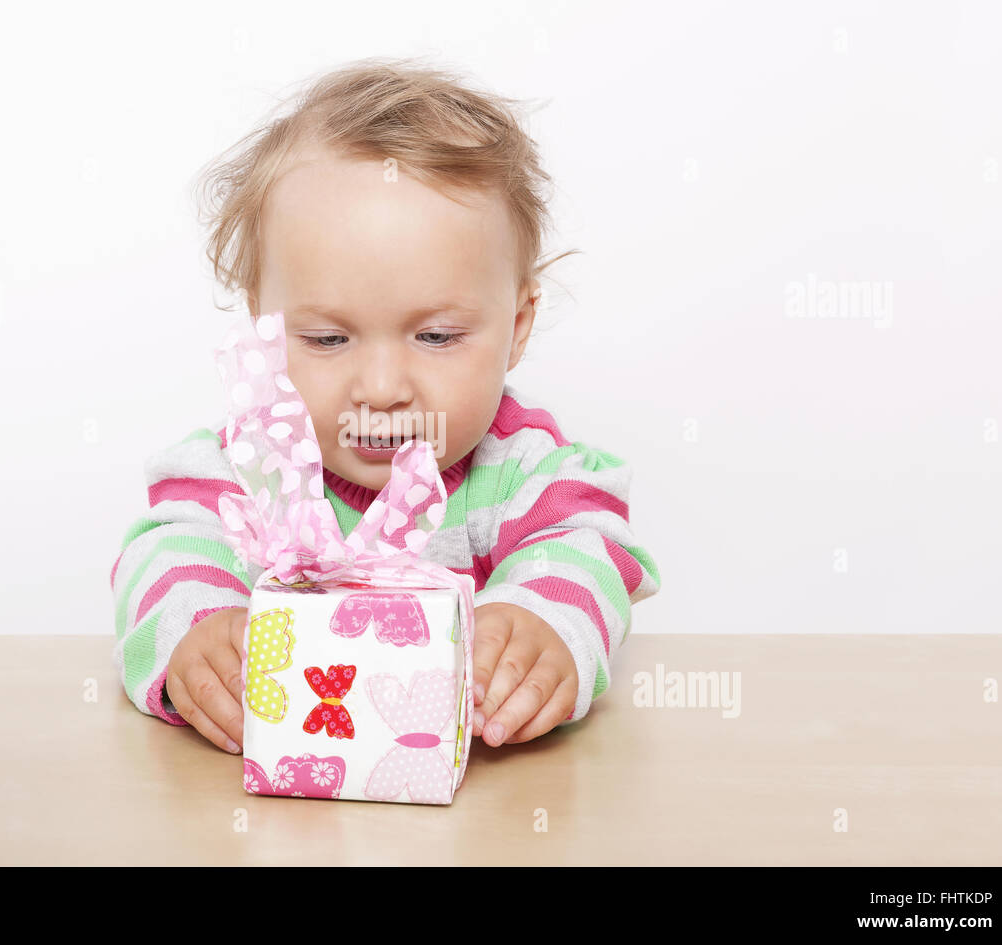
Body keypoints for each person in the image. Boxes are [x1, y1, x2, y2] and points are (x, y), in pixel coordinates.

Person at [109, 56, 660, 756]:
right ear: (264, 327)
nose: (380, 388)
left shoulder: (522, 474)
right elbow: (168, 549)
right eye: (328, 338)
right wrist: (202, 634)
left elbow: (589, 546)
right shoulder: (243, 472)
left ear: (517, 327)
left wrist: (536, 623)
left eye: (435, 336)